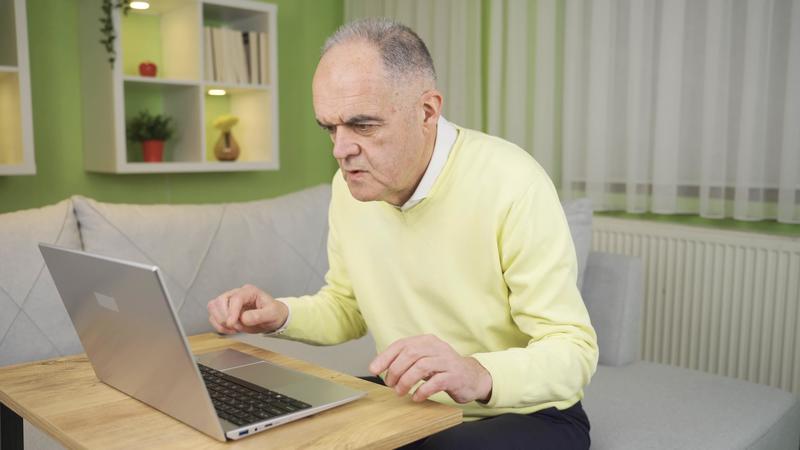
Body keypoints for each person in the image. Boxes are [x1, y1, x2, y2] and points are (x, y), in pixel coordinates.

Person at [208, 18, 598, 449]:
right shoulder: (349, 187)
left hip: (524, 411)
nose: (340, 149)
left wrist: (476, 372)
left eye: (363, 125)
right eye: (330, 128)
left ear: (427, 111)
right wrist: (280, 314)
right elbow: (346, 307)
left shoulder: (513, 182)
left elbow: (573, 350)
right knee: (282, 427)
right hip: (413, 400)